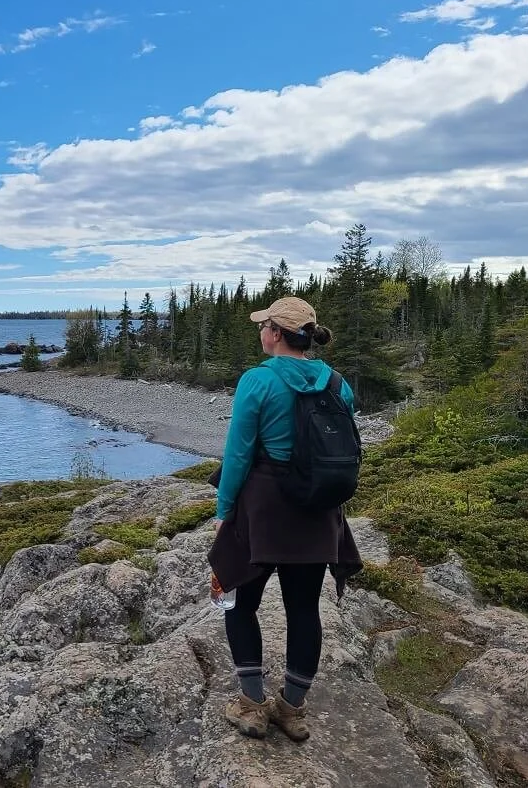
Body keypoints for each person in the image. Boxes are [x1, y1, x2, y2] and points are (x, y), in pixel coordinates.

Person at [206, 296, 363, 743]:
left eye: (264, 326)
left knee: (239, 602)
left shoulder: (257, 381)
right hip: (316, 512)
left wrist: (224, 513)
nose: (261, 332)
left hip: (264, 510)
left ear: (276, 332)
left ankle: (253, 706)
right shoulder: (337, 383)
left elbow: (237, 455)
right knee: (304, 610)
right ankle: (292, 710)